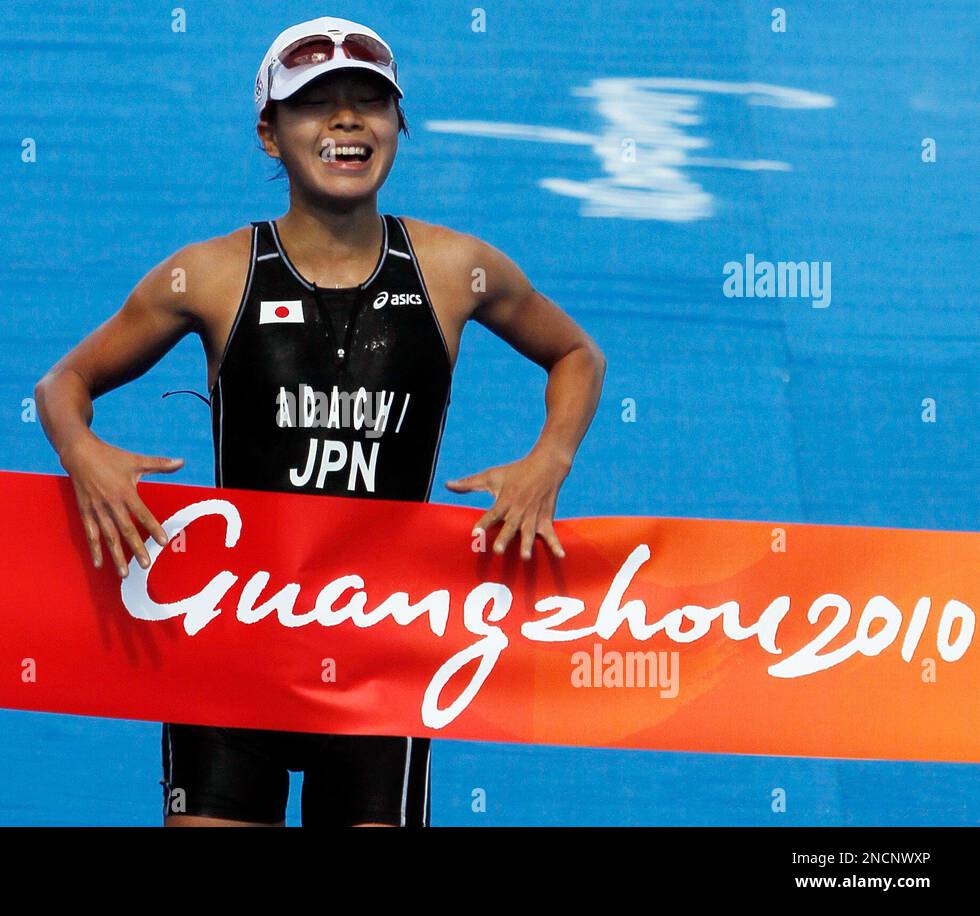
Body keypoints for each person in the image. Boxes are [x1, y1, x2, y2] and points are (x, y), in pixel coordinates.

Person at [34, 16, 606, 827]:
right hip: (234, 637)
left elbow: (577, 354)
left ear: (398, 127)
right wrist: (83, 452)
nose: (345, 121)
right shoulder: (212, 274)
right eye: (315, 106)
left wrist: (550, 459)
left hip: (381, 645)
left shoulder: (454, 271)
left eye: (368, 102)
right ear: (270, 134)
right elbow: (65, 383)